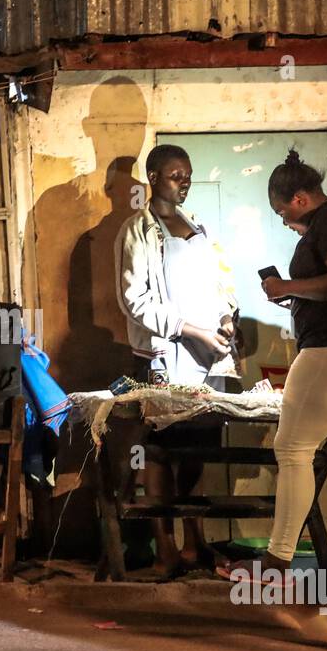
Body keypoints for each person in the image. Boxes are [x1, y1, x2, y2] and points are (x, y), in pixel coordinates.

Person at [116, 144, 241, 575]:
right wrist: (190, 330)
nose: (183, 182)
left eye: (187, 175)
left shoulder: (200, 228)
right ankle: (164, 544)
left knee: (197, 450)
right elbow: (134, 301)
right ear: (153, 177)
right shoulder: (136, 231)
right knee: (160, 452)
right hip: (163, 357)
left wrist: (225, 317)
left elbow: (223, 282)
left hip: (206, 361)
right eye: (175, 175)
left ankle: (195, 542)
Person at [244, 150, 327, 577]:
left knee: (292, 449)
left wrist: (286, 285)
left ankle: (277, 561)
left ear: (299, 198)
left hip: (326, 353)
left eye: (281, 210)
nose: (282, 220)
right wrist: (294, 295)